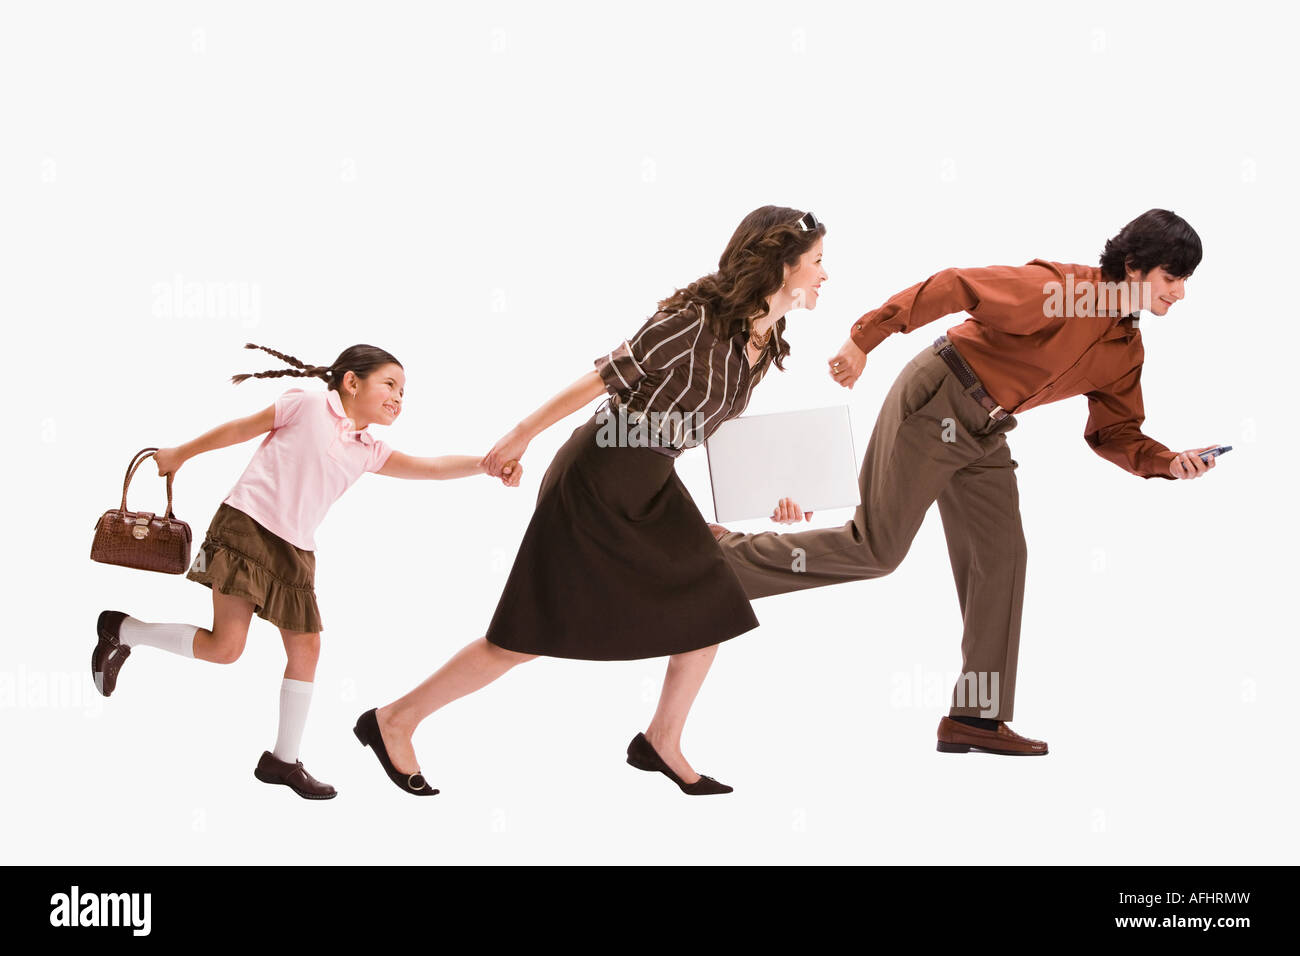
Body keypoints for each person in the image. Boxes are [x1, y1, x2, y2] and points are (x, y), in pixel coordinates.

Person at [354, 205, 828, 796]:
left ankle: (662, 741)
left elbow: (713, 429)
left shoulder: (765, 339)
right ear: (782, 266)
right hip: (597, 477)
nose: (823, 275)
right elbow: (601, 379)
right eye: (816, 262)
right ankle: (393, 720)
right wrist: (520, 434)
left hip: (653, 479)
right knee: (522, 638)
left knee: (711, 608)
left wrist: (774, 493)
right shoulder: (694, 321)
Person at [709, 209, 1219, 756]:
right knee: (875, 550)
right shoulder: (1061, 292)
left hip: (986, 428)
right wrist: (866, 338)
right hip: (940, 396)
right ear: (1136, 266)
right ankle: (721, 559)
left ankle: (975, 719)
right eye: (1173, 278)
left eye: (1186, 280)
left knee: (1001, 559)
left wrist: (1167, 462)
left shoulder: (1125, 349)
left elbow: (1114, 431)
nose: (1181, 293)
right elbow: (958, 286)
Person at [91, 343, 520, 799]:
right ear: (352, 382)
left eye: (404, 391)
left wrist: (485, 466)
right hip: (248, 527)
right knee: (228, 649)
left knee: (299, 648)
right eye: (390, 384)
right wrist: (181, 453)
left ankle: (282, 760)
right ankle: (123, 630)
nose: (398, 397)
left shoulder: (368, 449)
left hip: (296, 550)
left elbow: (430, 468)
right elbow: (240, 428)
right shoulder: (309, 403)